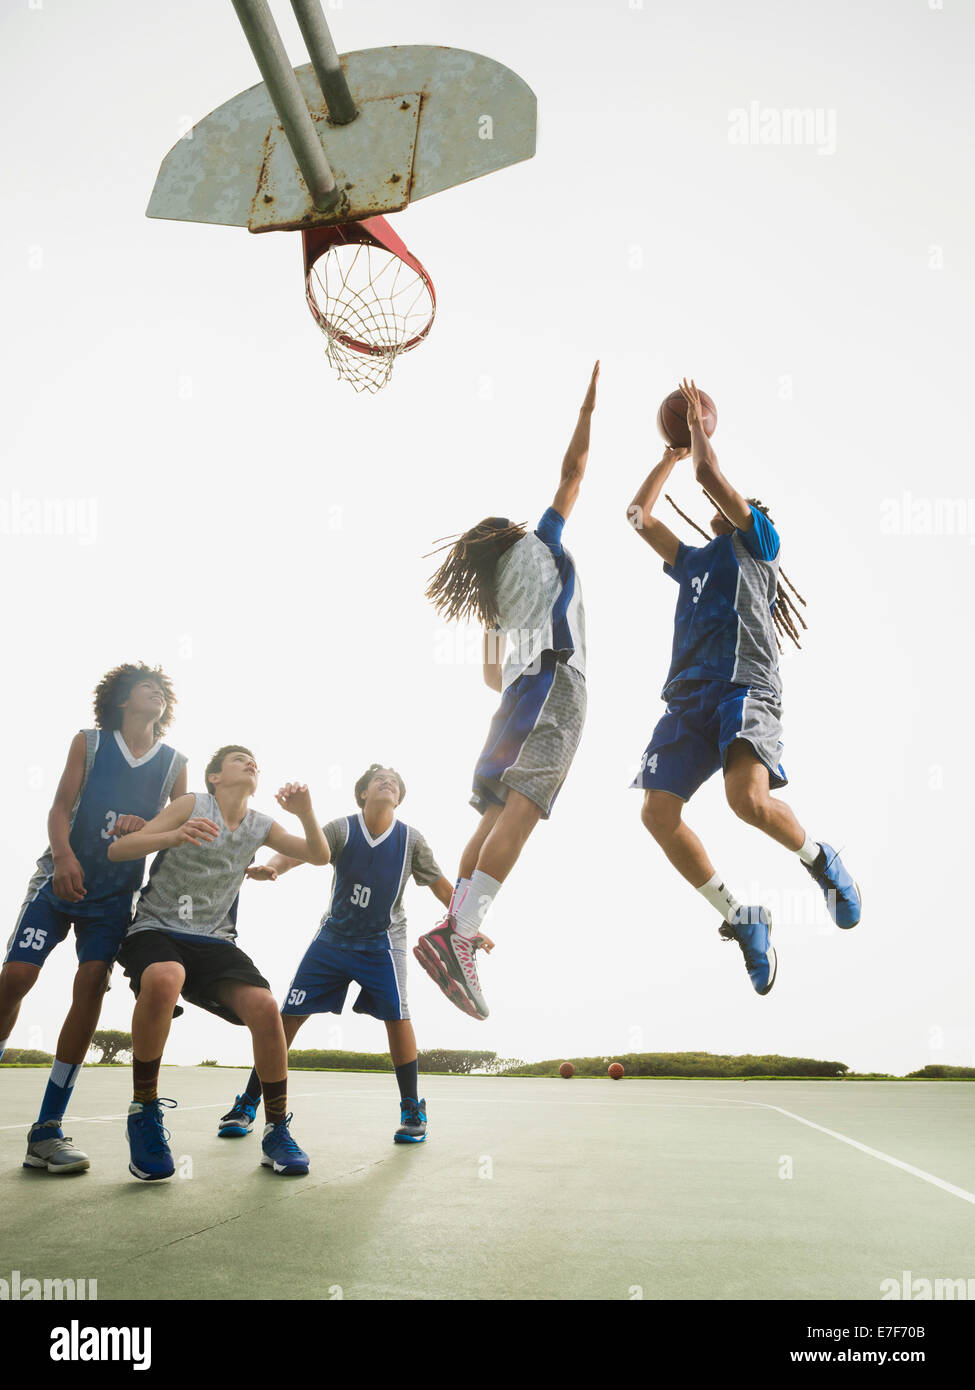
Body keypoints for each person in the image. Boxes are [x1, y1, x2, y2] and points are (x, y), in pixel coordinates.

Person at [626, 378, 860, 995]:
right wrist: (668, 455)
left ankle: (821, 860)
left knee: (745, 801)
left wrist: (699, 428)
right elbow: (637, 517)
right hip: (689, 698)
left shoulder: (760, 543)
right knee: (656, 812)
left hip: (745, 686)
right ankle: (741, 918)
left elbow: (711, 479)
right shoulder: (695, 563)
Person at [414, 362, 598, 1019]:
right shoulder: (540, 545)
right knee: (522, 812)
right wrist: (587, 410)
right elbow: (573, 472)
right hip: (555, 680)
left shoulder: (493, 604)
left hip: (513, 699)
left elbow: (490, 676)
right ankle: (459, 934)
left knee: (494, 813)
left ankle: (452, 930)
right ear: (510, 534)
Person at [109, 746, 329, 1180]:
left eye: (254, 762)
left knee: (267, 1009)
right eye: (238, 759)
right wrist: (171, 836)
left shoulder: (261, 824)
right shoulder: (192, 804)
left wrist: (305, 813)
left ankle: (275, 1129)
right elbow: (123, 850)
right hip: (156, 928)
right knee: (166, 975)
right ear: (215, 777)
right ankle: (144, 1109)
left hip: (214, 941)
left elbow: (319, 856)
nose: (250, 763)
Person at [1, 663, 186, 1173]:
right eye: (145, 687)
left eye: (161, 689)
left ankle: (47, 1130)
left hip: (114, 897)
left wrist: (145, 826)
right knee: (16, 977)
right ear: (123, 700)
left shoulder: (174, 764)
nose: (155, 692)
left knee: (89, 989)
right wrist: (62, 857)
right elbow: (61, 806)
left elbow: (176, 827)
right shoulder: (91, 742)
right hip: (62, 878)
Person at [218, 764, 452, 1145]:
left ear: (399, 797)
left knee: (398, 1015)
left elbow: (441, 886)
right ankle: (248, 1103)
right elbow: (301, 853)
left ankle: (412, 1108)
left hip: (382, 941)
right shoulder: (342, 828)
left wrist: (466, 926)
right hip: (334, 939)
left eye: (394, 780)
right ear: (362, 793)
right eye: (379, 778)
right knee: (287, 1017)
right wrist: (273, 867)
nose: (388, 781)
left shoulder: (412, 840)